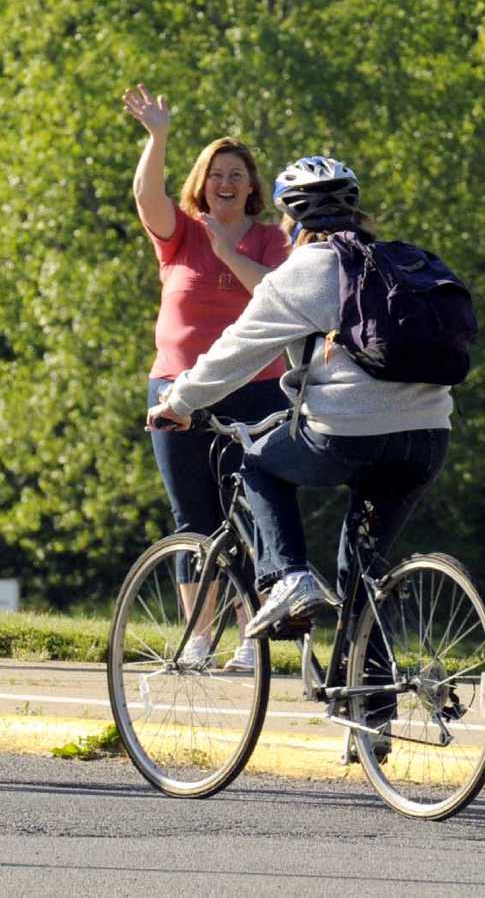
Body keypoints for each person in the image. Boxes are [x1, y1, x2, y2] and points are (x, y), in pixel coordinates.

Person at [147, 155, 452, 652]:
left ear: (293, 219)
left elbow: (236, 351)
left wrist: (177, 402)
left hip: (348, 433)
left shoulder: (304, 270)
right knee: (363, 574)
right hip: (428, 436)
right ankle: (370, 715)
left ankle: (288, 578)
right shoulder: (405, 259)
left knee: (257, 463)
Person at [122, 85, 289, 670]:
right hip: (175, 389)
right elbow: (147, 197)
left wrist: (230, 248)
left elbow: (274, 296)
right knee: (193, 517)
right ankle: (197, 634)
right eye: (217, 173)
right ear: (203, 181)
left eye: (237, 174)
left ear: (251, 186)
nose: (226, 182)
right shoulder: (181, 234)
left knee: (246, 508)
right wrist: (158, 137)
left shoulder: (272, 240)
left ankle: (250, 635)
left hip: (256, 391)